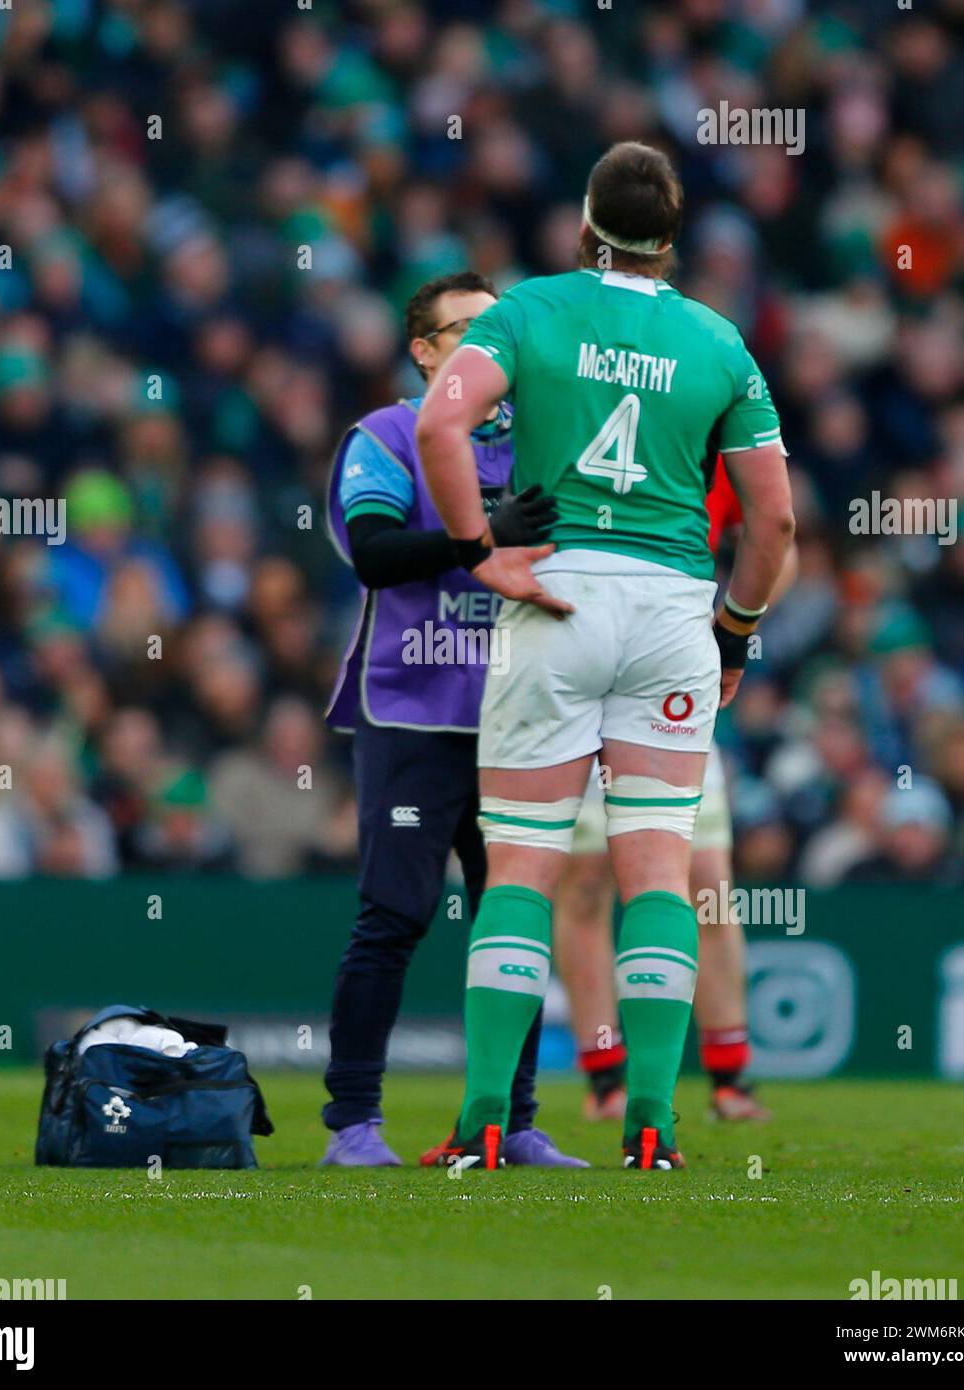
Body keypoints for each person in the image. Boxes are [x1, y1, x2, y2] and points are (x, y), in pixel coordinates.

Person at [416, 142, 795, 1171]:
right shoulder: (720, 343)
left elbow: (441, 425)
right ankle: (655, 1126)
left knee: (526, 869)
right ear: (671, 241)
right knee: (659, 871)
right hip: (673, 610)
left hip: (559, 593)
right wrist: (735, 635)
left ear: (585, 227)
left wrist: (475, 551)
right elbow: (774, 523)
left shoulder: (531, 311)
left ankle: (486, 1122)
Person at [321, 271, 585, 1168]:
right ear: (425, 352)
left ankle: (511, 1124)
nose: (484, 341)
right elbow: (374, 554)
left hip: (520, 719)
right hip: (413, 711)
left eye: (495, 326)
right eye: (463, 328)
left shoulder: (549, 436)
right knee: (395, 914)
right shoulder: (389, 435)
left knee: (512, 917)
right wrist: (482, 539)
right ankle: (354, 1126)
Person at [557, 461, 799, 1124]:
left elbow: (782, 540)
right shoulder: (594, 416)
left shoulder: (722, 437)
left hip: (674, 674)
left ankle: (729, 1073)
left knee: (707, 882)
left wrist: (735, 614)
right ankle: (605, 1076)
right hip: (587, 679)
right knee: (585, 882)